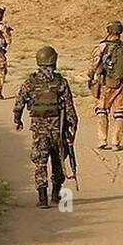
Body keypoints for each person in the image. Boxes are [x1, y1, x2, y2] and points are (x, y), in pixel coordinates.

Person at [13, 45, 78, 208]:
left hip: (39, 131)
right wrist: (72, 127)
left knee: (40, 162)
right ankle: (56, 194)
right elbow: (70, 108)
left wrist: (18, 120)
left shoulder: (30, 82)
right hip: (58, 129)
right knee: (58, 161)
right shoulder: (60, 82)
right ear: (54, 61)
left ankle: (43, 199)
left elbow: (19, 103)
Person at [86, 21, 123, 150]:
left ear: (108, 31)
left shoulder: (103, 47)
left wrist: (90, 76)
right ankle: (116, 142)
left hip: (106, 85)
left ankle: (102, 139)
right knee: (119, 113)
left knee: (102, 111)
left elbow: (93, 65)